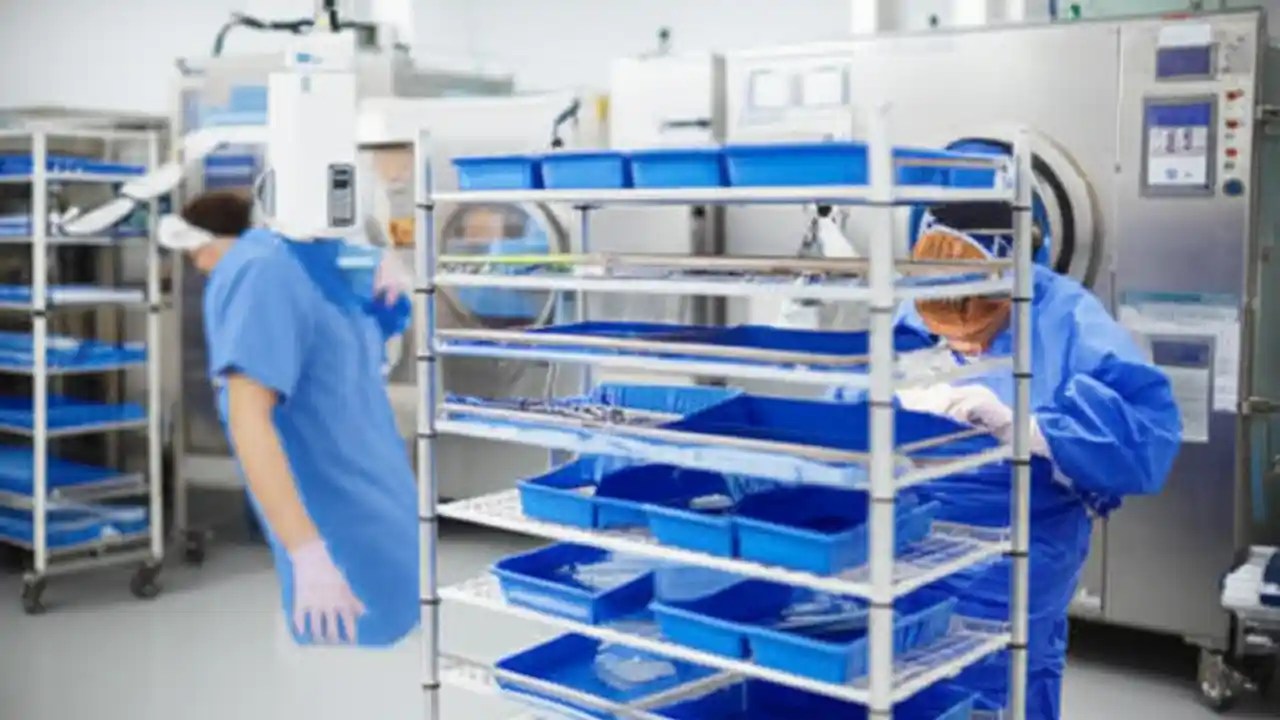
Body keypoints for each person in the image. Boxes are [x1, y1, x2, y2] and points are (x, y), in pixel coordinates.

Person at [834, 202, 1183, 719]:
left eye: (979, 316)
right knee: (910, 677)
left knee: (1006, 680)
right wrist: (897, 404)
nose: (961, 336)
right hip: (911, 537)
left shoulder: (1066, 318)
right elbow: (842, 399)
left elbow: (1148, 438)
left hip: (1020, 545)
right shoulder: (923, 297)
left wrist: (1026, 427)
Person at [160, 189, 417, 647]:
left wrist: (382, 269)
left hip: (382, 511)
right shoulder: (262, 275)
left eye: (199, 251)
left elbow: (363, 341)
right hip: (345, 530)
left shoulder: (287, 269)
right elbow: (249, 418)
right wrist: (308, 554)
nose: (199, 266)